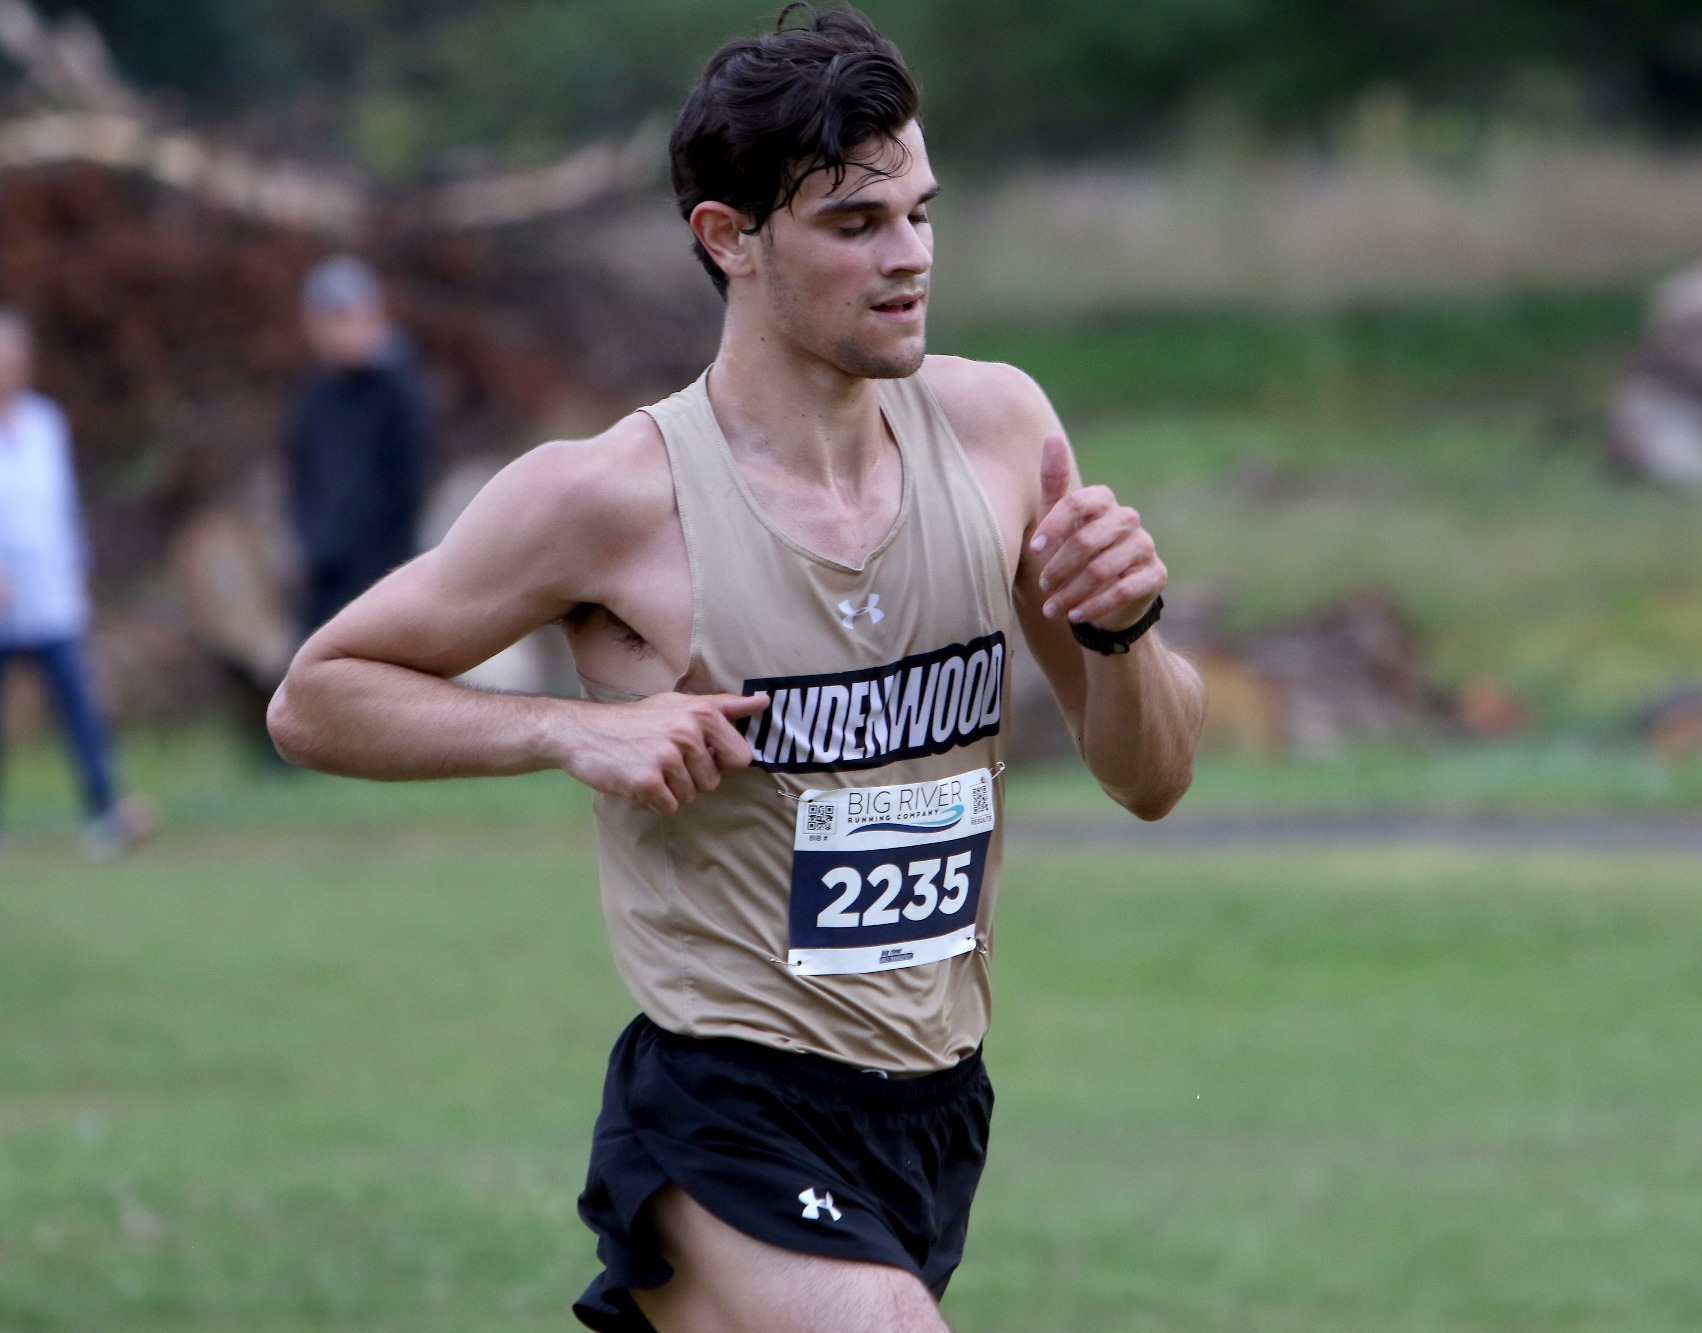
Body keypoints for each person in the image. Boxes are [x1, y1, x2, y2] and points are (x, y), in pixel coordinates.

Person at [267, 10, 1205, 1331]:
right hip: (724, 1104)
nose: (911, 259)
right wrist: (566, 731)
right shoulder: (610, 496)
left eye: (923, 215)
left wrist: (1125, 633)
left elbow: (1151, 780)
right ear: (730, 239)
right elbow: (317, 694)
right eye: (855, 224)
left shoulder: (1001, 432)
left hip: (934, 1103)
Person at [0, 309, 150, 857]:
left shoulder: (45, 423)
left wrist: (76, 569)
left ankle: (103, 812)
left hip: (52, 599)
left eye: (16, 359)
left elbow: (60, 508)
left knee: (79, 711)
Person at [287, 255, 432, 638]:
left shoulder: (400, 395)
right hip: (324, 577)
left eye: (345, 318)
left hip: (382, 578)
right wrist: (312, 541)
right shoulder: (316, 396)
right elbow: (301, 474)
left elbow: (408, 486)